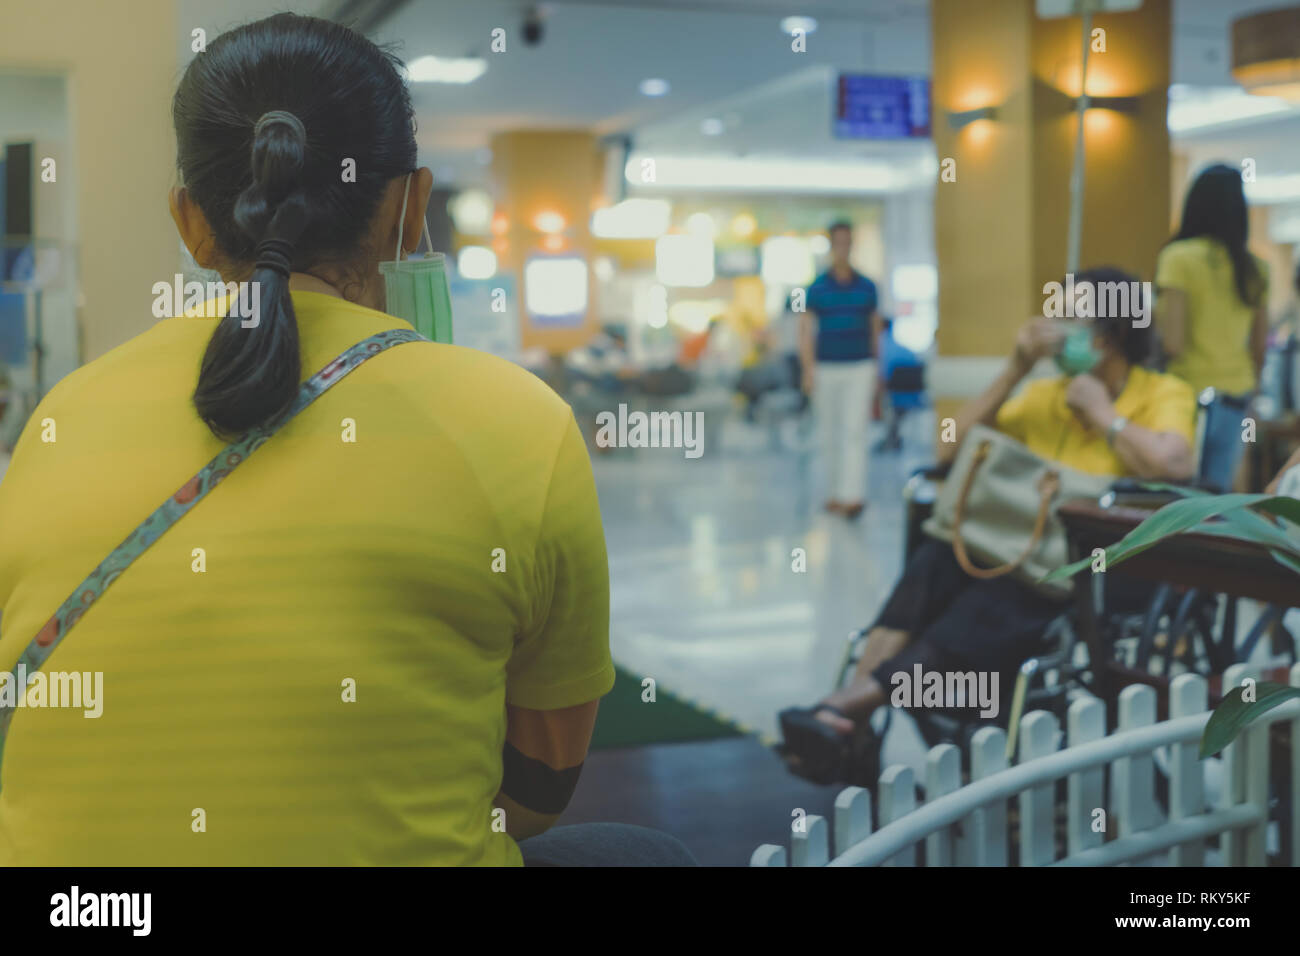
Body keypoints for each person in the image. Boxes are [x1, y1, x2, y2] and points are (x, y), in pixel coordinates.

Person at [0, 14, 694, 867]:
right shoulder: (516, 421)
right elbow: (540, 791)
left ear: (189, 221)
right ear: (410, 206)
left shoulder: (59, 420)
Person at [778, 268, 1197, 785]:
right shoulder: (1047, 394)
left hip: (1082, 569)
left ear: (1108, 336)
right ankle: (851, 719)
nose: (1051, 327)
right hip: (1011, 547)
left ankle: (849, 706)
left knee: (989, 600)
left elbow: (1174, 465)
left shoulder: (1162, 392)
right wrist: (1016, 368)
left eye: (1066, 318)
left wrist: (1105, 415)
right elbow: (950, 450)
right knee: (935, 560)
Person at [1155, 163, 1270, 399]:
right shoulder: (1256, 268)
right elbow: (1259, 348)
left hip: (1188, 391)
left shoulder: (1178, 257)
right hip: (1239, 392)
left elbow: (1172, 344)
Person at [801, 221, 882, 519]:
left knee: (855, 431)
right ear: (831, 246)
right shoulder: (817, 288)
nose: (843, 249)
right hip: (826, 367)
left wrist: (878, 368)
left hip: (860, 365)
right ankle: (835, 493)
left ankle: (853, 496)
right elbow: (806, 330)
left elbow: (875, 329)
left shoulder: (868, 287)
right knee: (829, 433)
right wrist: (808, 369)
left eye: (848, 242)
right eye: (838, 243)